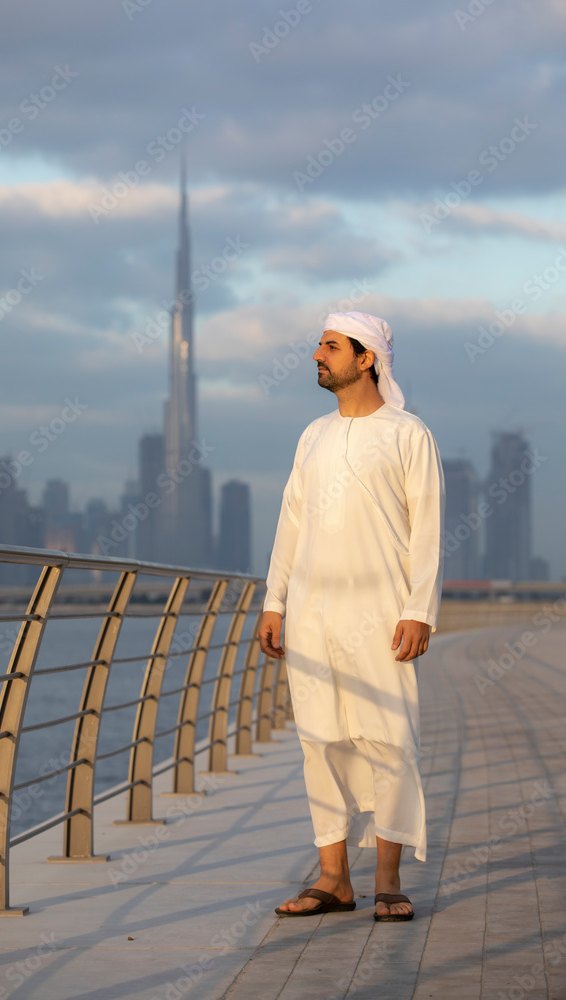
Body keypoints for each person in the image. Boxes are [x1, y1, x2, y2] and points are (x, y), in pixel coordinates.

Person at [258, 311, 444, 921]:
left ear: (367, 359)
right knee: (319, 740)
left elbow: (428, 530)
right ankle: (334, 879)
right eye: (320, 344)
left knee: (390, 739)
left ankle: (387, 878)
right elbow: (291, 523)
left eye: (331, 346)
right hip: (312, 615)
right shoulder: (312, 435)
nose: (317, 354)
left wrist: (419, 610)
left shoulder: (408, 433)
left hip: (382, 614)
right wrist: (275, 602)